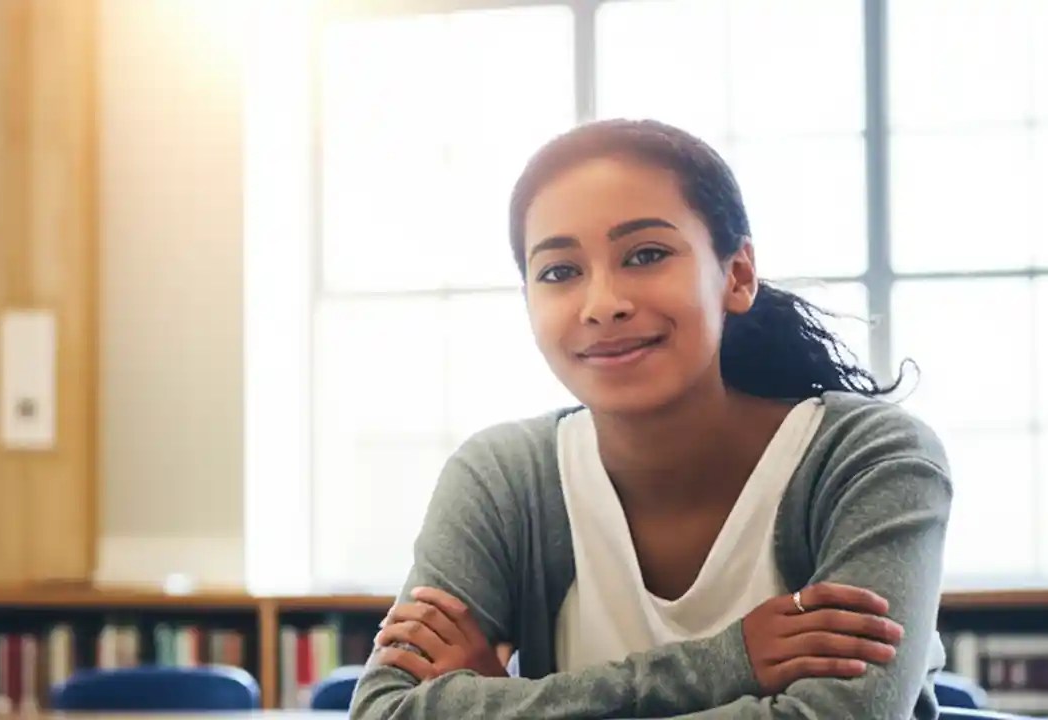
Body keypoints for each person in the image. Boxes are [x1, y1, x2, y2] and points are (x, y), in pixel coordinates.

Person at [351, 119, 952, 719]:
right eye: (560, 271)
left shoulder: (867, 458)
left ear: (737, 275)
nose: (603, 304)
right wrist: (726, 663)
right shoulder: (503, 478)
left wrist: (496, 703)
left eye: (646, 255)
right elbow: (382, 712)